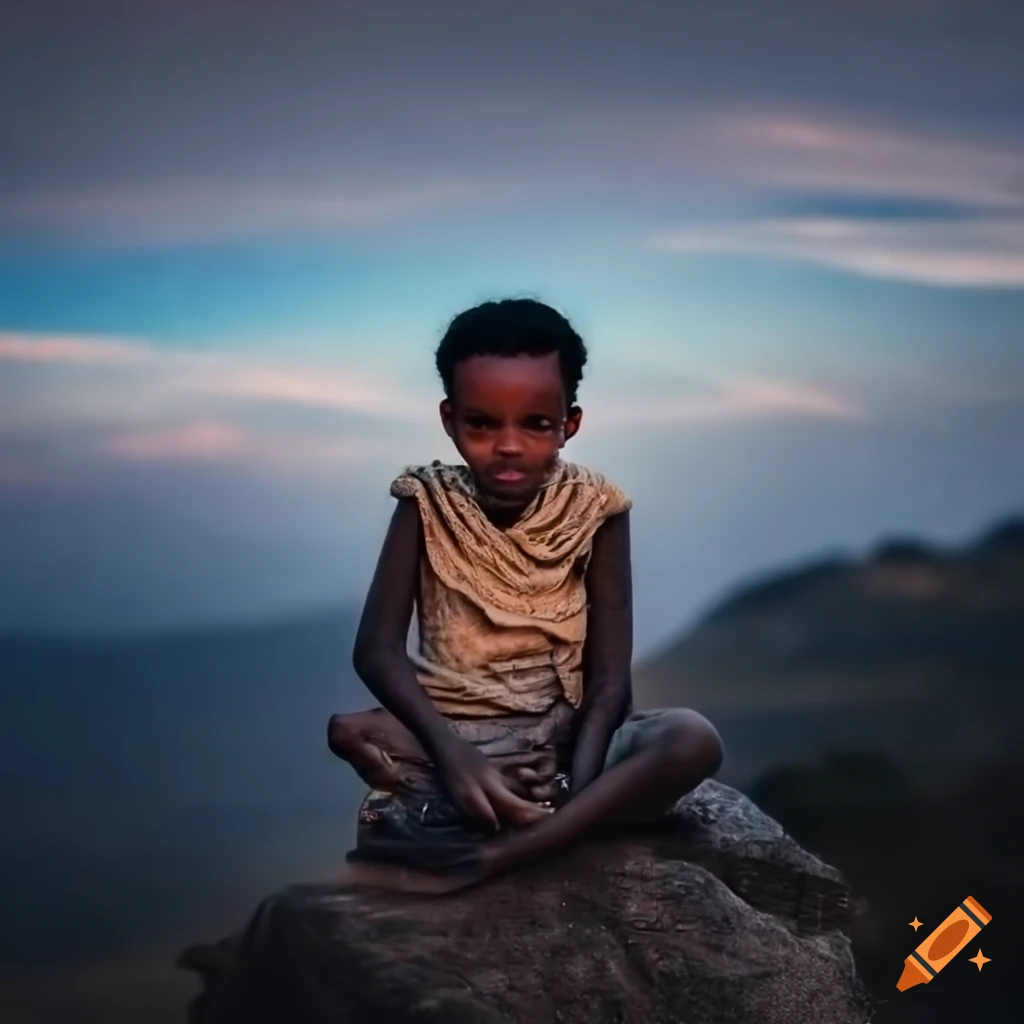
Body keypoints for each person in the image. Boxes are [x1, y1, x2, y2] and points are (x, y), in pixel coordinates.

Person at [328, 297, 724, 893]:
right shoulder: (425, 503)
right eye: (482, 424)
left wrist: (577, 786)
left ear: (570, 422)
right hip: (454, 729)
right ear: (449, 419)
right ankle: (517, 807)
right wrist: (455, 755)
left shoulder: (597, 508)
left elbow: (609, 683)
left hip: (562, 736)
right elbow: (376, 651)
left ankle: (506, 849)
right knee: (350, 730)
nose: (508, 446)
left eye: (536, 424)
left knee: (691, 738)